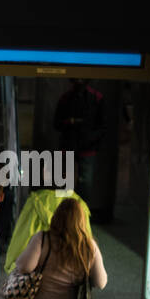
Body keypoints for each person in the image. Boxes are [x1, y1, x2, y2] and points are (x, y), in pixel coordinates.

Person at [54, 78, 106, 213]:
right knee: (69, 183)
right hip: (72, 146)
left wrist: (90, 138)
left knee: (83, 185)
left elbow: (102, 127)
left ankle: (77, 214)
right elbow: (57, 123)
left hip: (84, 147)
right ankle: (68, 214)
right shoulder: (67, 98)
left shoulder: (96, 99)